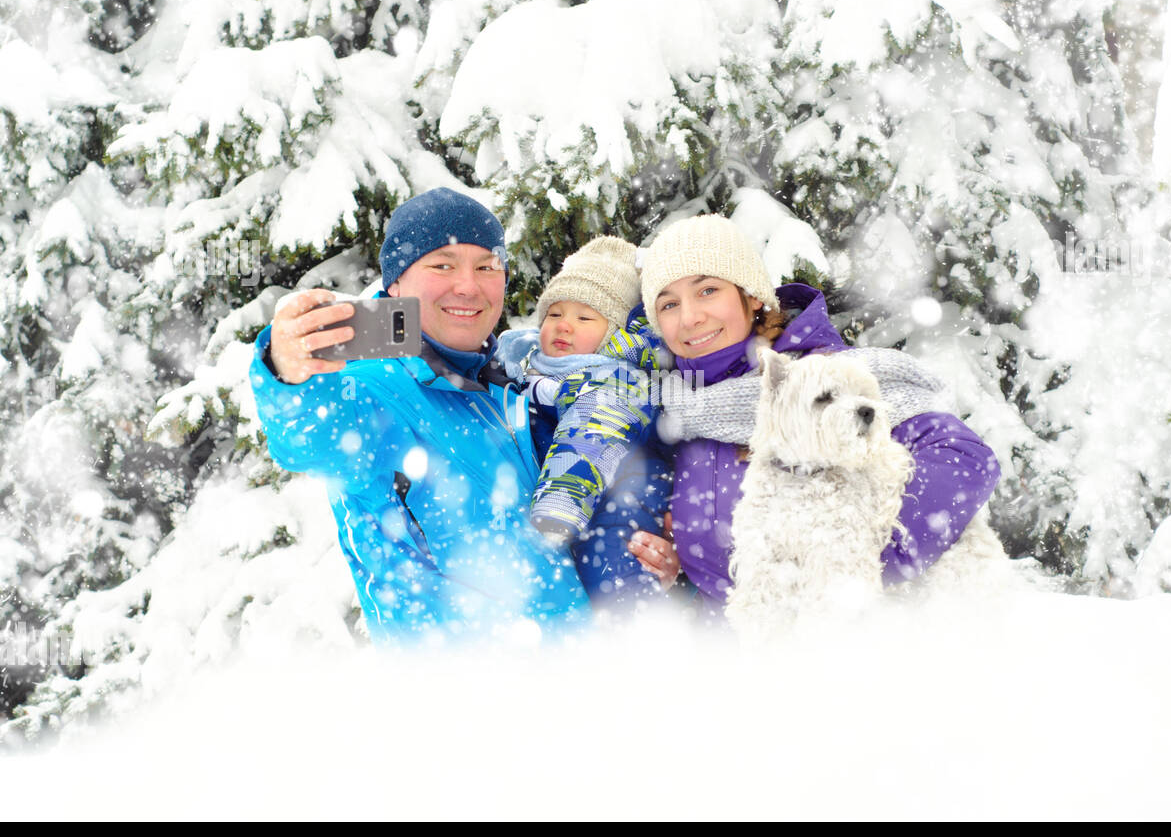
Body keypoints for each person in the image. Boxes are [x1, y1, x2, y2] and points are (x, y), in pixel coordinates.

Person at [248, 187, 589, 644]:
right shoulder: (373, 390)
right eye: (442, 264)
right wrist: (289, 369)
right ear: (396, 287)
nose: (468, 285)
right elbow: (313, 437)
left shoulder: (511, 390)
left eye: (487, 266)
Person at [627, 213, 1001, 610]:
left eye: (707, 291)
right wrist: (678, 568)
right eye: (668, 304)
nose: (689, 317)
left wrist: (862, 567)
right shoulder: (677, 412)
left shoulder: (831, 381)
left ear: (752, 295)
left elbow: (966, 459)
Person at [496, 237, 672, 610]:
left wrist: (560, 506)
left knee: (611, 592)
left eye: (584, 317)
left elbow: (591, 432)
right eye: (555, 314)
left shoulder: (615, 381)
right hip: (562, 540)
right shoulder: (533, 378)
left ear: (613, 335)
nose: (565, 326)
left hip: (613, 524)